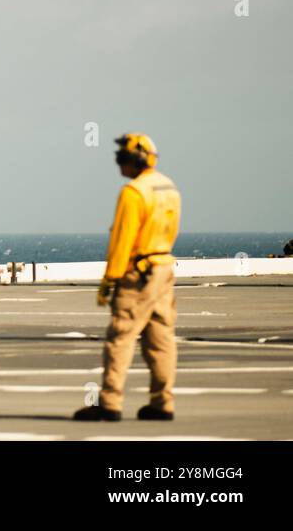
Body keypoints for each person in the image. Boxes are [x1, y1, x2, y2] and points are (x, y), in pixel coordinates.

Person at [74, 133, 181, 422]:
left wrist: (110, 280)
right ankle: (162, 402)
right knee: (161, 339)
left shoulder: (134, 192)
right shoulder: (168, 187)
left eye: (121, 157)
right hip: (163, 268)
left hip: (138, 273)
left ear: (135, 159)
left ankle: (110, 402)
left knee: (121, 336)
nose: (118, 163)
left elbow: (122, 240)